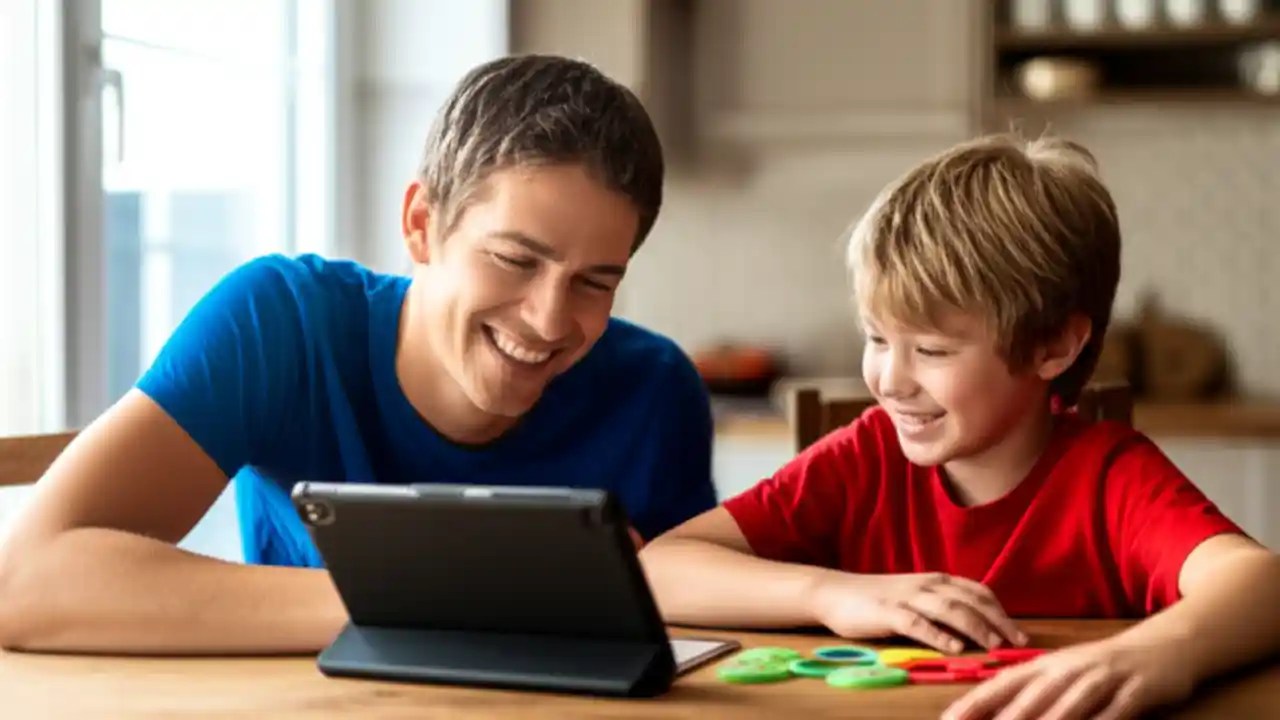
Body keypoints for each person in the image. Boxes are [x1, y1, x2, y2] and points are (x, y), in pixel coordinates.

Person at [0, 54, 716, 655]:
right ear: (421, 224)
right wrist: (461, 596)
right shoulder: (281, 322)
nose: (550, 319)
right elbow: (25, 584)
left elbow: (689, 627)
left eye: (596, 282)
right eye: (513, 259)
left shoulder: (656, 391)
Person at [640, 134, 1280, 719]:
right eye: (876, 338)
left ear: (1053, 347)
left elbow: (1262, 584)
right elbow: (657, 570)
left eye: (933, 350)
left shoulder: (1108, 477)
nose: (890, 379)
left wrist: (1157, 653)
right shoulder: (865, 457)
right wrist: (829, 595)